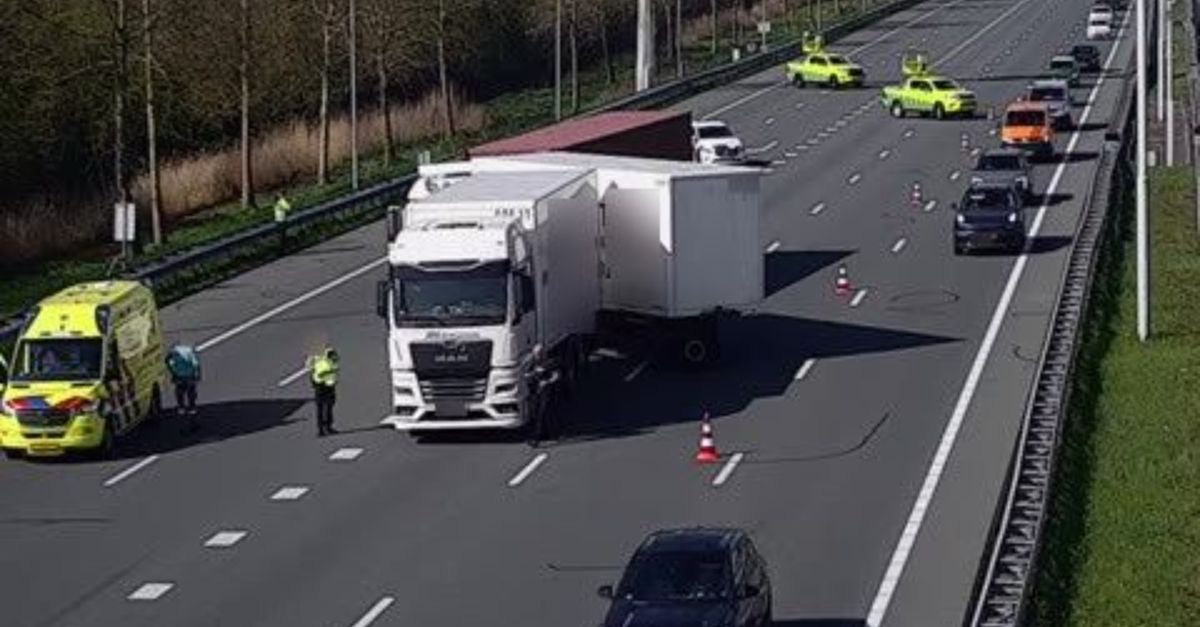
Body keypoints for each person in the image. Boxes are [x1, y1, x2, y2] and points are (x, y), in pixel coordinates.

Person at [165, 344, 202, 426]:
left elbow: (170, 364)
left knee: (179, 394)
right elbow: (195, 363)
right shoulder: (190, 351)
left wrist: (174, 373)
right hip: (190, 377)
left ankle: (181, 410)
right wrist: (198, 375)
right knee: (191, 396)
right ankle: (192, 416)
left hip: (179, 378)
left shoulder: (173, 354)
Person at [309, 347, 339, 437]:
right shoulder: (329, 356)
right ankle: (328, 427)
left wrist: (313, 383)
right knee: (328, 406)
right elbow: (335, 366)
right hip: (328, 385)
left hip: (319, 385)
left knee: (320, 408)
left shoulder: (316, 358)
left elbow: (311, 370)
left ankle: (321, 429)